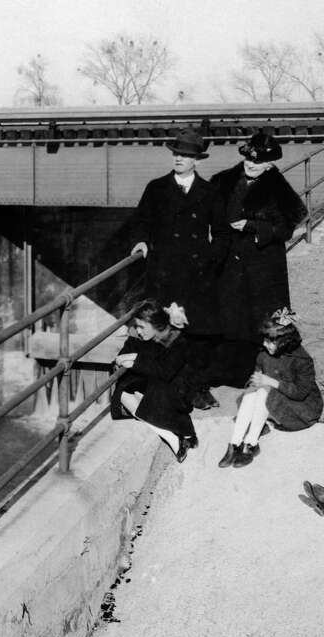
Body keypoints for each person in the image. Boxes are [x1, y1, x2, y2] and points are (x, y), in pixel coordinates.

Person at [129, 129, 228, 409]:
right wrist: (141, 240)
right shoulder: (156, 188)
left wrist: (210, 261)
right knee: (161, 329)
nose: (179, 159)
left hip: (197, 275)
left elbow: (222, 234)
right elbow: (141, 221)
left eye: (185, 155)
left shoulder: (210, 192)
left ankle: (197, 387)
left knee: (197, 334)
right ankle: (160, 387)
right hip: (163, 272)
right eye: (176, 154)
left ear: (197, 160)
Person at [210, 131, 307, 387]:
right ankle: (229, 374)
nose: (251, 164)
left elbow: (286, 229)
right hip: (230, 261)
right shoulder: (224, 181)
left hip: (264, 264)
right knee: (230, 316)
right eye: (248, 159)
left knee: (264, 318)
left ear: (270, 164)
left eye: (258, 161)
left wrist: (253, 226)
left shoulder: (279, 188)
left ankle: (266, 371)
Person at [219, 309, 322, 468]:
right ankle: (235, 443)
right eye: (264, 340)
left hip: (301, 409)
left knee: (263, 391)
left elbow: (300, 393)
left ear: (284, 342)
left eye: (269, 341)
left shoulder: (301, 360)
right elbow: (256, 377)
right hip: (276, 399)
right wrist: (255, 382)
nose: (264, 344)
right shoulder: (264, 355)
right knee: (253, 392)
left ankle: (251, 443)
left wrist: (270, 382)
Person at [110, 300, 198, 462]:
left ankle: (178, 438)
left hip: (177, 391)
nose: (138, 331)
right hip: (156, 384)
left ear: (156, 325)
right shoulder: (139, 335)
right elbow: (125, 353)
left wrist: (135, 359)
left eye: (142, 327)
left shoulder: (177, 339)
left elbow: (165, 371)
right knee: (122, 391)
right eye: (136, 326)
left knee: (150, 393)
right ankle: (175, 436)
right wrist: (123, 359)